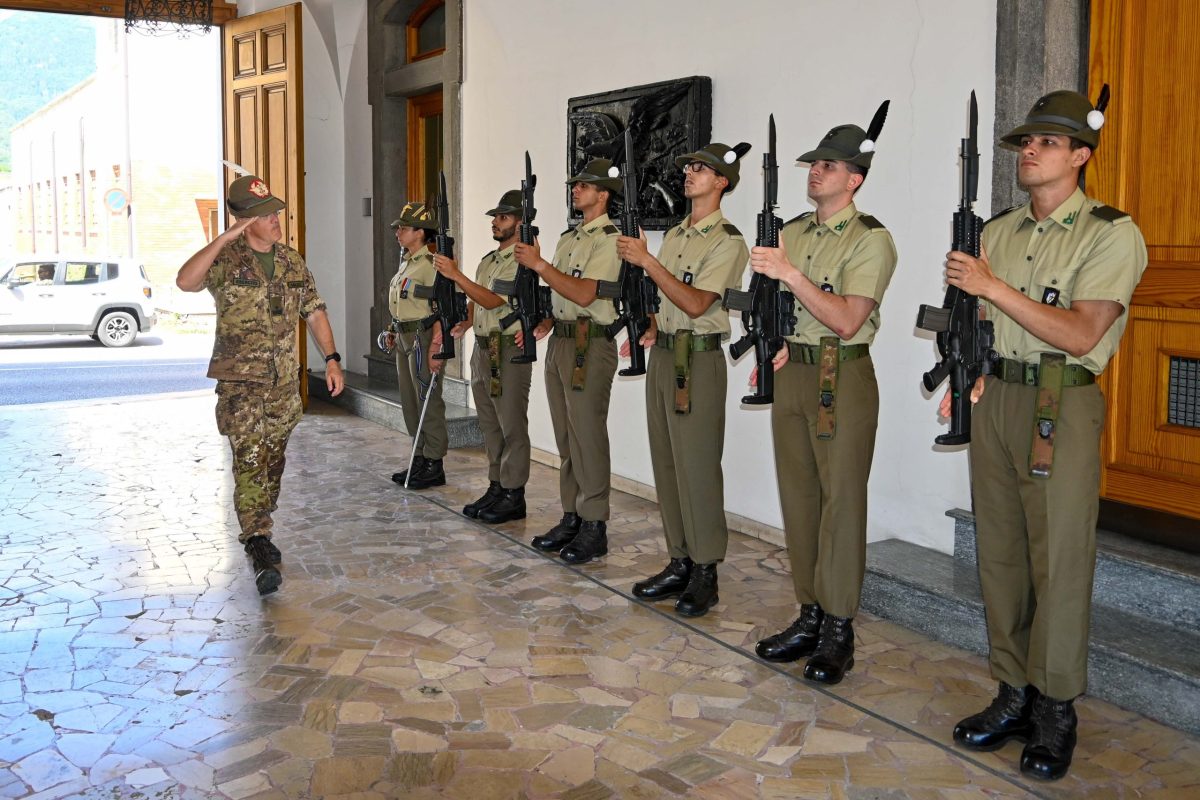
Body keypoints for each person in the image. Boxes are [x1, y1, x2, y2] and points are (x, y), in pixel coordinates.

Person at [943, 89, 1147, 781]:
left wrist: (992, 288)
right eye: (1027, 141)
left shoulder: (1110, 232)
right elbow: (976, 321)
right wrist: (968, 374)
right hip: (998, 396)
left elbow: (1083, 331)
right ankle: (1013, 692)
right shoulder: (998, 230)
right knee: (999, 554)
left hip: (1063, 403)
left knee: (1056, 561)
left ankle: (1056, 708)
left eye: (1048, 142)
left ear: (1081, 156)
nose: (1030, 150)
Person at [749, 107, 897, 685]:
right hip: (795, 374)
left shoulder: (871, 239)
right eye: (813, 163)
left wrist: (789, 274)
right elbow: (780, 307)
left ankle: (839, 629)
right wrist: (775, 338)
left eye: (828, 165)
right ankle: (809, 613)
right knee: (800, 499)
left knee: (841, 504)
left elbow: (844, 319)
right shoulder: (792, 232)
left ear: (854, 178)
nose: (815, 172)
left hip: (843, 377)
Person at [176, 174, 345, 595]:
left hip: (283, 385)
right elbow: (185, 281)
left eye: (274, 212)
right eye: (266, 215)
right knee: (250, 459)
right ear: (245, 222)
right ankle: (258, 539)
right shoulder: (226, 260)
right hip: (241, 387)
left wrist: (332, 359)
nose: (276, 220)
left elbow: (315, 311)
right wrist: (223, 239)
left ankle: (259, 523)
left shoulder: (291, 261)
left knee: (273, 461)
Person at [614, 142, 750, 617]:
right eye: (688, 166)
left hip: (700, 360)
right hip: (667, 355)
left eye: (701, 169)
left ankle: (706, 569)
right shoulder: (675, 234)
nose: (689, 173)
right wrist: (651, 325)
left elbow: (697, 304)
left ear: (723, 182)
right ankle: (680, 559)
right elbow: (668, 300)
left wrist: (648, 262)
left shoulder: (728, 241)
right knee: (668, 464)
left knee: (697, 466)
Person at [515, 158, 622, 563]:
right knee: (565, 437)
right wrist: (545, 315)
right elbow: (562, 292)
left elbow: (585, 294)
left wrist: (540, 265)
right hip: (562, 340)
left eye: (585, 185)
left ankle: (595, 525)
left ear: (604, 194)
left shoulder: (609, 238)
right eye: (575, 183)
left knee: (587, 436)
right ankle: (573, 514)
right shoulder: (571, 237)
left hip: (588, 344)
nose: (576, 189)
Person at [432, 190, 532, 523]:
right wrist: (465, 321)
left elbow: (494, 302)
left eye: (503, 217)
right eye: (495, 216)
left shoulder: (522, 259)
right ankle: (496, 484)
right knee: (490, 424)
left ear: (520, 223)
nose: (495, 222)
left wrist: (456, 275)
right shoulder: (489, 260)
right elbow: (478, 304)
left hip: (507, 349)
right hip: (484, 346)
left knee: (511, 424)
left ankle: (513, 493)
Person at [384, 203, 448, 490]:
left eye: (404, 228)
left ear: (421, 233)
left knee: (427, 400)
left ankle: (434, 462)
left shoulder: (433, 264)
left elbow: (444, 309)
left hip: (423, 338)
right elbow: (402, 304)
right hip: (404, 337)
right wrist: (391, 330)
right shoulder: (407, 262)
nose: (398, 232)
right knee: (410, 402)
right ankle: (419, 455)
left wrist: (437, 344)